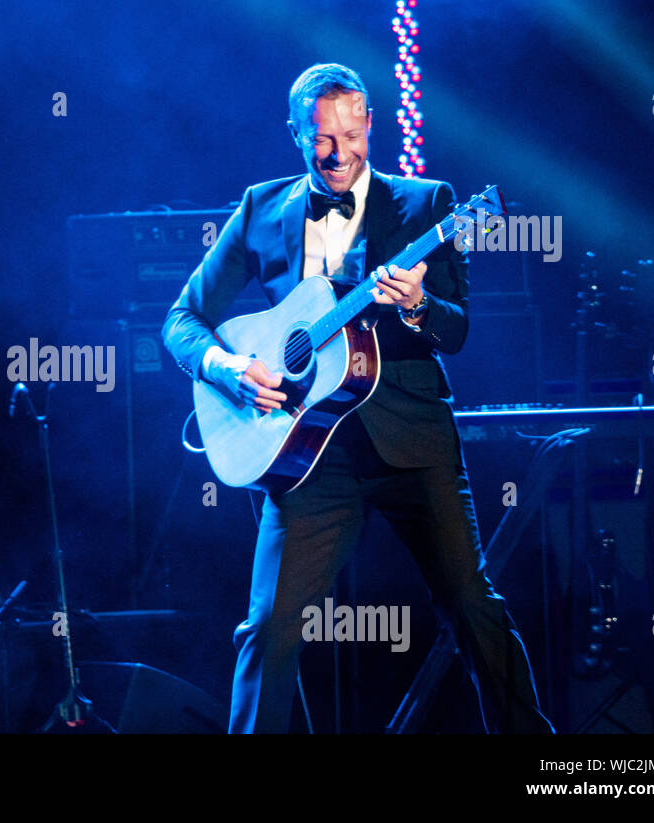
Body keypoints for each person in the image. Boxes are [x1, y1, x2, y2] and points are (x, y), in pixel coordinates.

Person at [162, 63, 553, 733]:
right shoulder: (261, 208)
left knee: (472, 606)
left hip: (410, 443)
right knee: (267, 631)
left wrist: (420, 305)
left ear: (371, 124)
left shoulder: (428, 205)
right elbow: (182, 320)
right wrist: (227, 367)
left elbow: (456, 330)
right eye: (321, 137)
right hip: (304, 454)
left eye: (351, 133)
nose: (338, 152)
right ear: (294, 133)